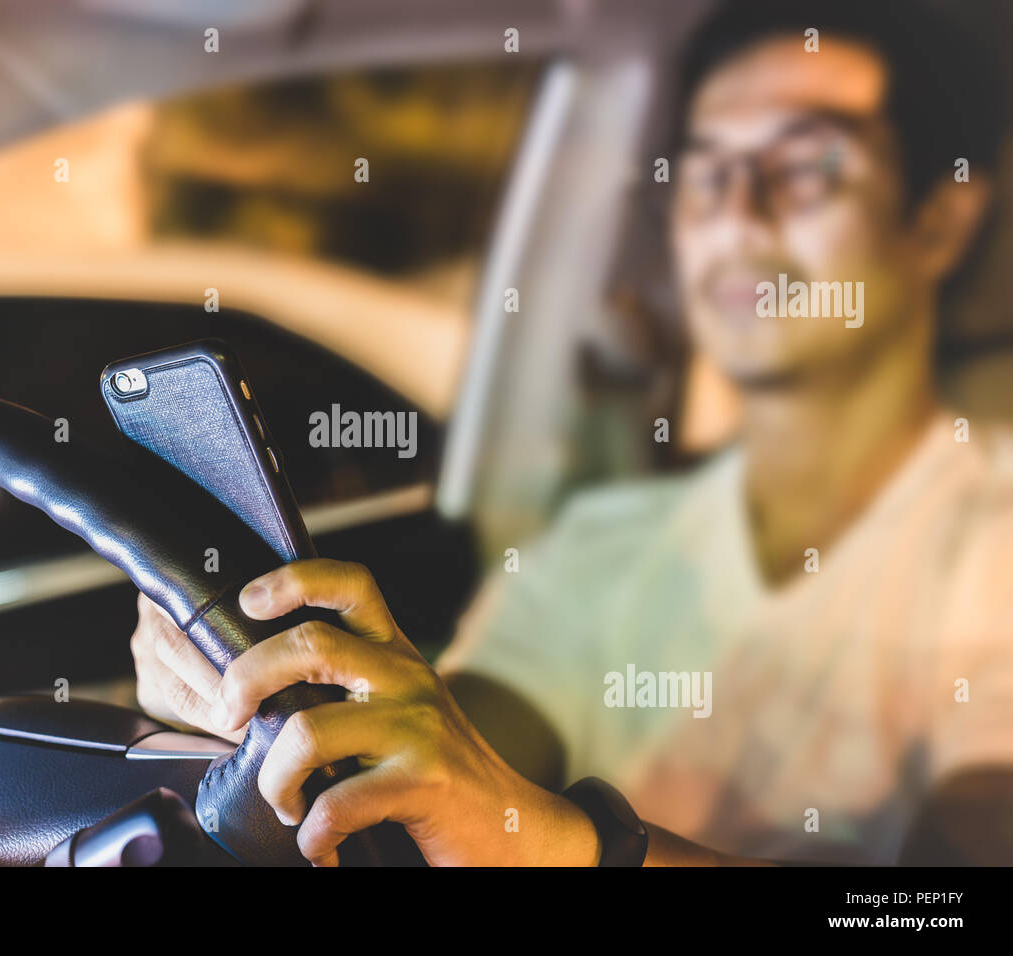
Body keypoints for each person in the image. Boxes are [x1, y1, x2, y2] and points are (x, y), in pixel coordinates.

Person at [129, 0, 1013, 865]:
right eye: (707, 172)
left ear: (940, 218)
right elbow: (456, 765)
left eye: (809, 167)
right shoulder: (606, 549)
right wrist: (269, 700)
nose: (738, 216)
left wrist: (572, 845)